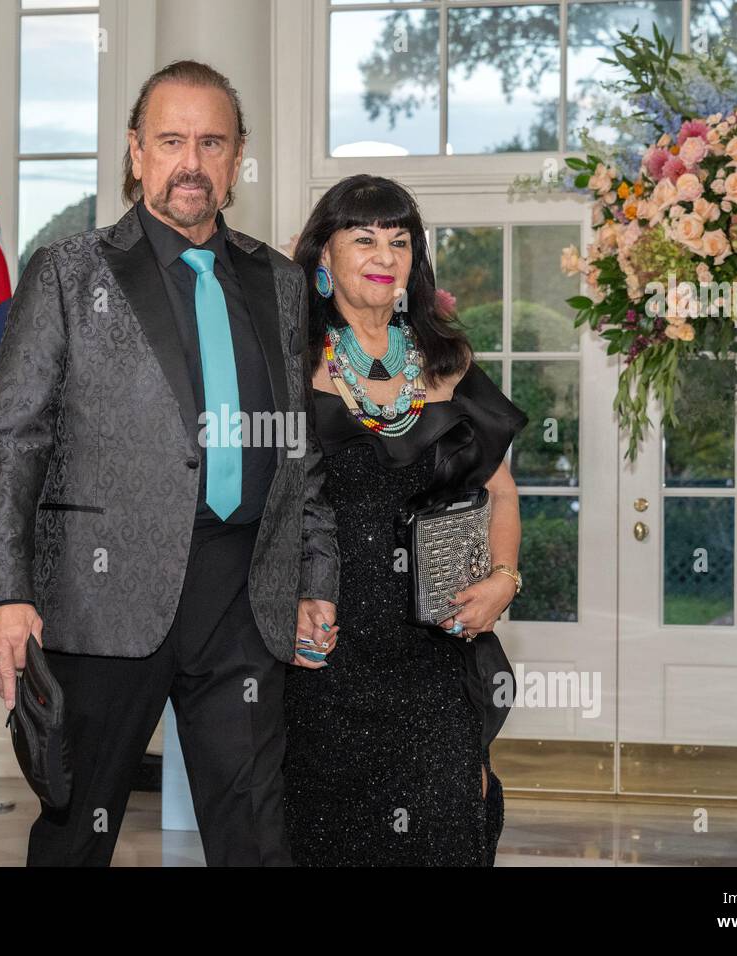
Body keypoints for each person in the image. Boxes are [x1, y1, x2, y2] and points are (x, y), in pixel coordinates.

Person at [0, 60, 340, 866]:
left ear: (239, 158)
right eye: (171, 140)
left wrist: (315, 576)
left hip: (243, 598)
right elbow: (11, 443)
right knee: (75, 831)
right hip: (103, 603)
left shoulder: (278, 283)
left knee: (257, 836)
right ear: (135, 152)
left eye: (212, 142)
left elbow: (296, 447)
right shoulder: (68, 273)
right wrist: (3, 594)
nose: (191, 163)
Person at [282, 174, 528, 866]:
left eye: (399, 239)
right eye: (362, 237)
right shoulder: (288, 367)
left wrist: (503, 580)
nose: (383, 253)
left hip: (435, 657)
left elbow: (502, 494)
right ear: (322, 257)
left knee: (447, 834)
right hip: (322, 660)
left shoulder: (448, 363)